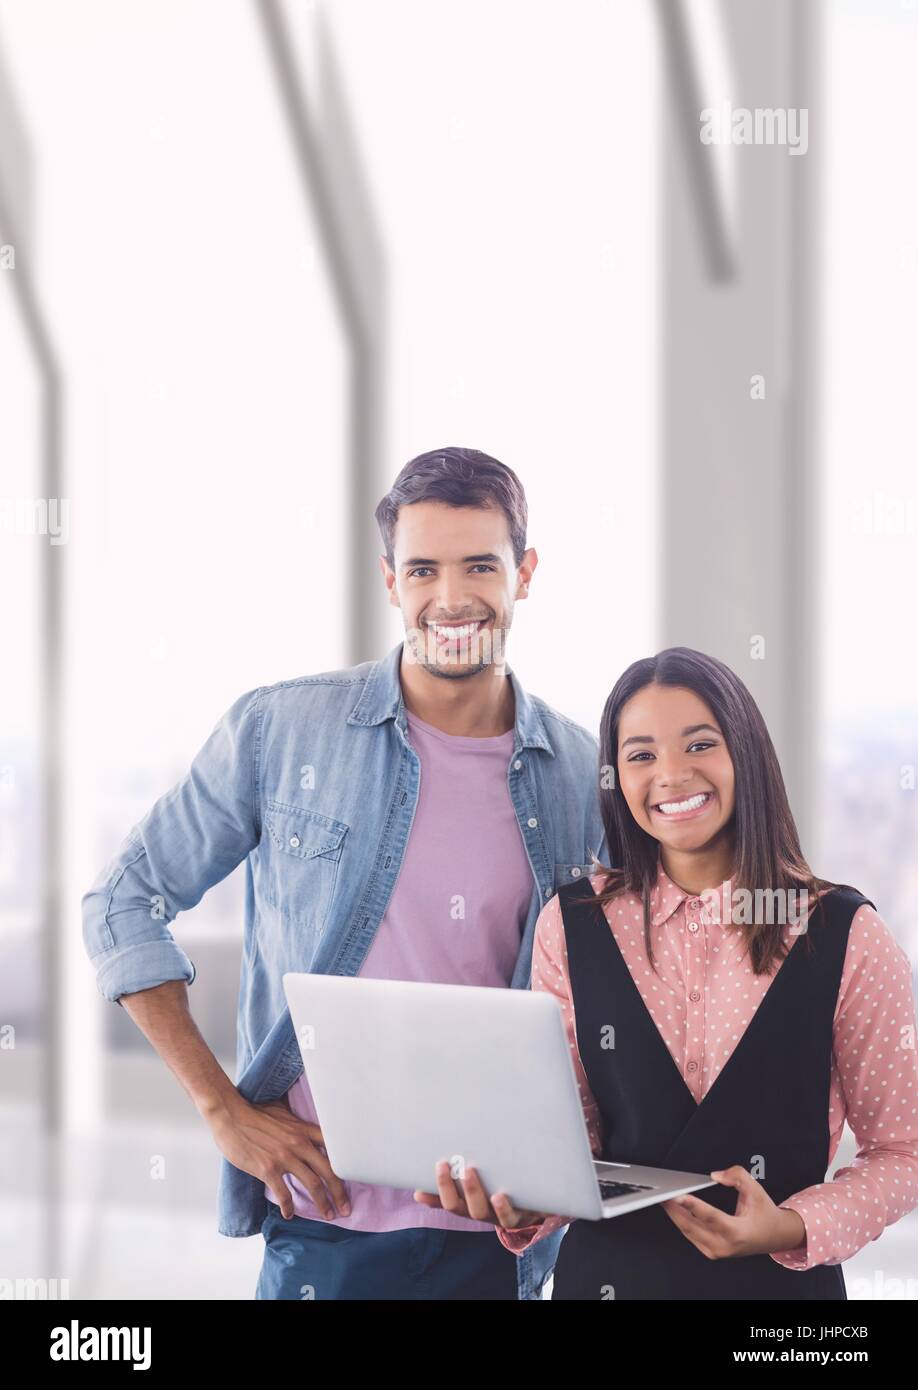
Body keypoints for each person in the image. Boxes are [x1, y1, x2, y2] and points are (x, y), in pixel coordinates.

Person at [81, 446, 606, 1300]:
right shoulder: (282, 730)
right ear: (390, 580)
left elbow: (607, 1007)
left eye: (481, 564)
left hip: (500, 1240)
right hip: (325, 1224)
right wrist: (225, 1112)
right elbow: (119, 903)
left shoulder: (581, 775)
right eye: (423, 568)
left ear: (526, 572)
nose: (451, 598)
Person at [416, 646, 918, 1299]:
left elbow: (904, 1153)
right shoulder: (570, 926)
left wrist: (793, 1226)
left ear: (747, 753)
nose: (672, 776)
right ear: (615, 778)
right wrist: (525, 1206)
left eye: (699, 745)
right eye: (642, 755)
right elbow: (570, 1140)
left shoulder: (847, 933)